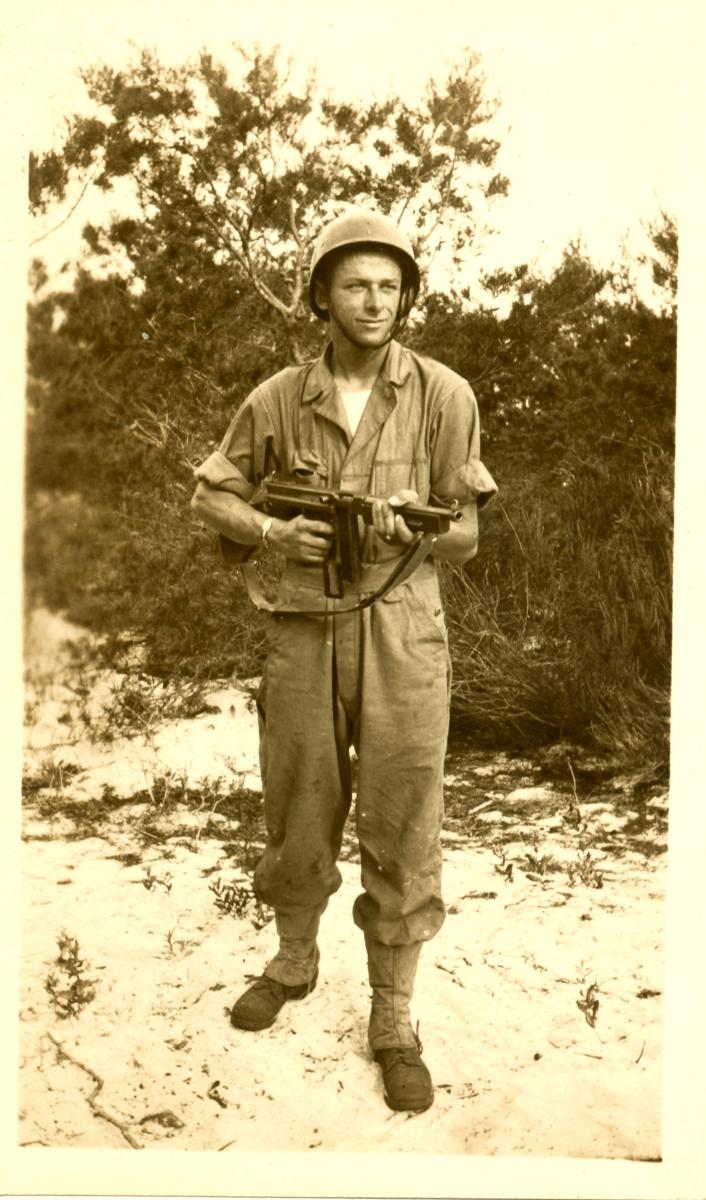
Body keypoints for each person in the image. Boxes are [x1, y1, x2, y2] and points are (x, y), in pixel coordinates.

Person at [191, 207, 497, 1113]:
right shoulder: (278, 399)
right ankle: (294, 963)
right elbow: (211, 498)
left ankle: (393, 1016)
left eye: (390, 286)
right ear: (321, 295)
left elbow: (468, 534)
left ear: (407, 297)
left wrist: (417, 531)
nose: (375, 301)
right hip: (302, 627)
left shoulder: (444, 395)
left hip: (404, 631)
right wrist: (273, 530)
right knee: (298, 805)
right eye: (356, 284)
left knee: (403, 816)